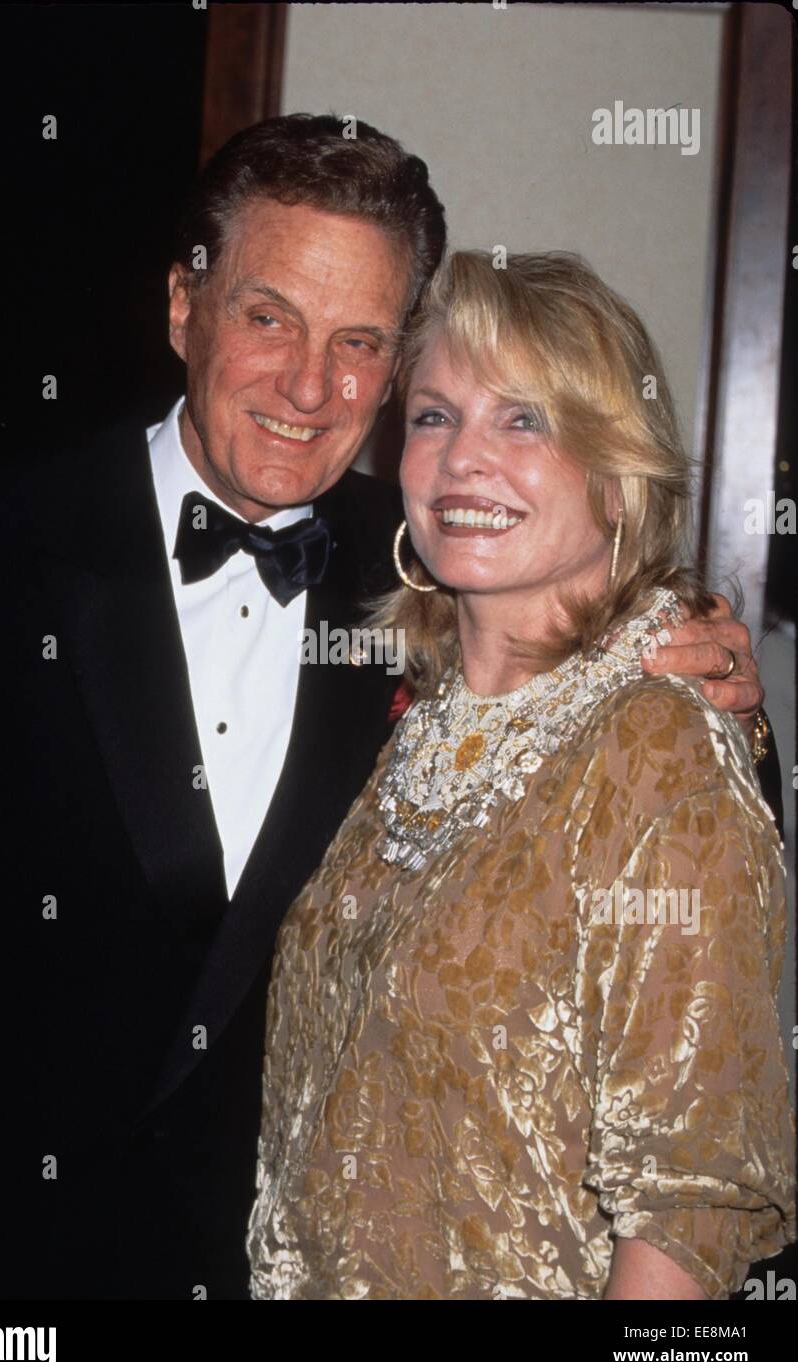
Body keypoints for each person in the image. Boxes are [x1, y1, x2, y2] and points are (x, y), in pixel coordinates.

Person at [0, 115, 775, 1302]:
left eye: (360, 341)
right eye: (268, 318)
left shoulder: (435, 569)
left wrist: (716, 687)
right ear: (182, 307)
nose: (310, 387)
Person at [246, 250, 796, 1300]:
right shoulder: (414, 721)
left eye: (524, 420)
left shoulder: (653, 743)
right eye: (435, 416)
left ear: (614, 467)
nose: (463, 460)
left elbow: (686, 1212)